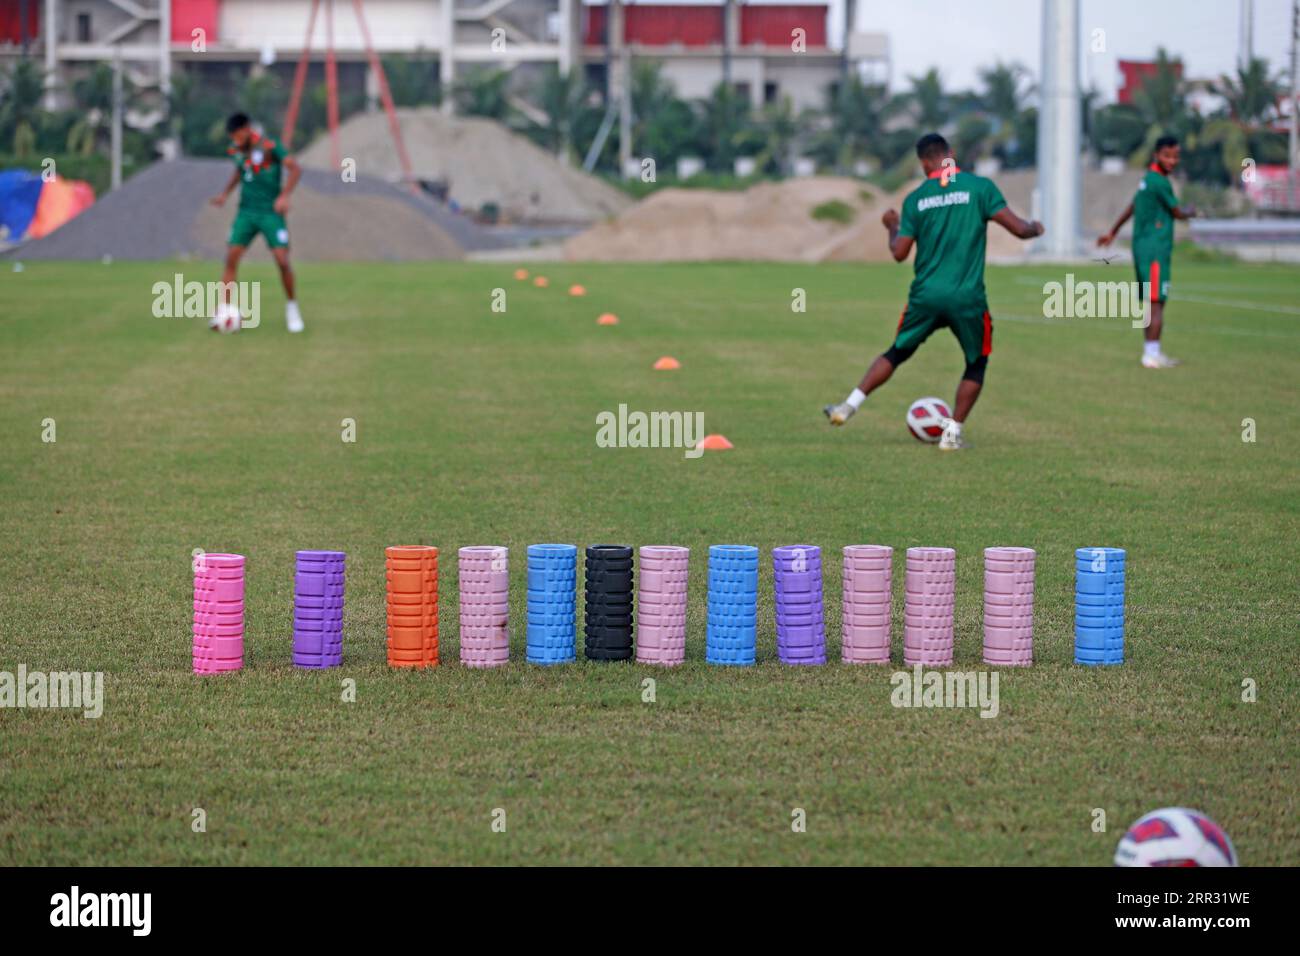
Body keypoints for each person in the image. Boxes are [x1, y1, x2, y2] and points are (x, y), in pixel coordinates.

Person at [824, 133, 1043, 450]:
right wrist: (1037, 227)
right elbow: (1021, 230)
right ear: (950, 155)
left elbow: (899, 253)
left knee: (896, 352)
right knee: (976, 363)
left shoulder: (915, 199)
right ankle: (952, 435)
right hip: (967, 297)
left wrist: (891, 226)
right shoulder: (979, 188)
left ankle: (847, 406)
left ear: (924, 163)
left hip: (925, 296)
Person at [1098, 134, 1197, 368]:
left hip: (1143, 249)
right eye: (1167, 156)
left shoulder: (1147, 180)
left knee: (1152, 303)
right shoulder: (1160, 182)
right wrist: (1191, 211)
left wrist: (1112, 231)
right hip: (1155, 251)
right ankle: (1152, 354)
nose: (1172, 161)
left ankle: (1151, 351)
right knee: (1156, 303)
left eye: (1176, 156)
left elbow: (1133, 206)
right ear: (1157, 155)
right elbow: (1177, 213)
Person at [209, 113, 305, 333]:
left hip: (270, 213)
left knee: (282, 260)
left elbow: (295, 169)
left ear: (247, 129)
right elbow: (239, 172)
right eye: (232, 136)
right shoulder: (236, 151)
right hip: (246, 213)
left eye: (237, 134)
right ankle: (223, 310)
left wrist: (284, 196)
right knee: (231, 257)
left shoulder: (271, 146)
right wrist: (224, 194)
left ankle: (292, 308)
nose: (234, 140)